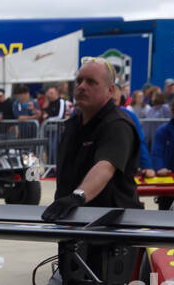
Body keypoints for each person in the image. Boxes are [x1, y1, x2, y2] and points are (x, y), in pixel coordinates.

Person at [43, 58, 140, 222]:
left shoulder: (117, 125)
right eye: (79, 81)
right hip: (73, 222)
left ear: (110, 91)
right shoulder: (73, 125)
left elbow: (105, 167)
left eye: (91, 82)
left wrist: (78, 197)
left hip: (111, 228)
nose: (82, 86)